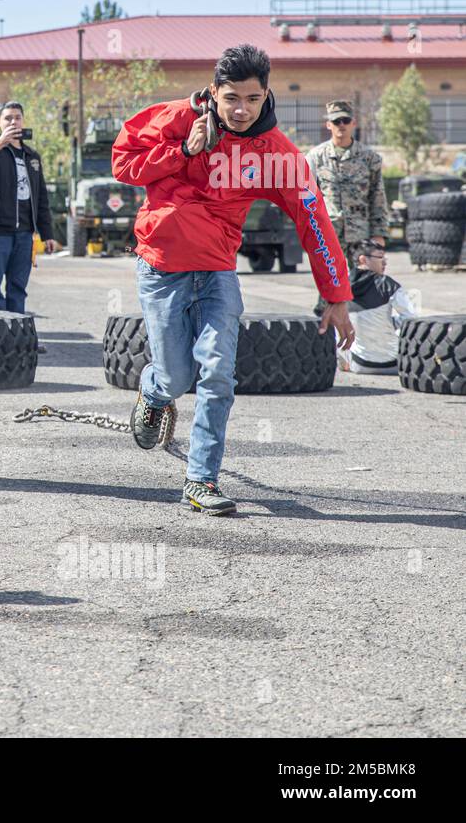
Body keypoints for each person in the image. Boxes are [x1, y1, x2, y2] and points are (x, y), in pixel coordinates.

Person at [113, 43, 356, 516]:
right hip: (161, 268)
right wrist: (182, 150)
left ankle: (201, 481)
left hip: (218, 273)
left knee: (218, 373)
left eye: (252, 98)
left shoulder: (276, 153)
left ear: (266, 95)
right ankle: (155, 390)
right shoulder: (176, 118)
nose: (242, 110)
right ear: (213, 93)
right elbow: (123, 164)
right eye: (232, 99)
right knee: (176, 375)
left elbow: (315, 221)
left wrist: (336, 294)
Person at [0, 101, 60, 313]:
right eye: (8, 118)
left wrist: (47, 234)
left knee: (18, 286)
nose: (13, 122)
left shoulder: (32, 156)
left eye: (17, 117)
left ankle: (18, 339)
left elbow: (42, 198)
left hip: (25, 233)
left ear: (23, 120)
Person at [305, 100, 388, 263]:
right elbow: (307, 200)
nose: (341, 125)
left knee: (362, 285)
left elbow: (377, 197)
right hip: (328, 237)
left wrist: (379, 234)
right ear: (328, 125)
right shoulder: (315, 158)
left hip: (360, 237)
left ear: (353, 123)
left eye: (346, 121)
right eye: (336, 121)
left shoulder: (369, 158)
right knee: (332, 285)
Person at [337, 239, 415, 375]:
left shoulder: (341, 285)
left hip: (358, 364)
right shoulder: (390, 285)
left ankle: (345, 363)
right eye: (380, 257)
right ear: (363, 259)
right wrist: (390, 323)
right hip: (393, 365)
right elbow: (411, 320)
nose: (385, 262)